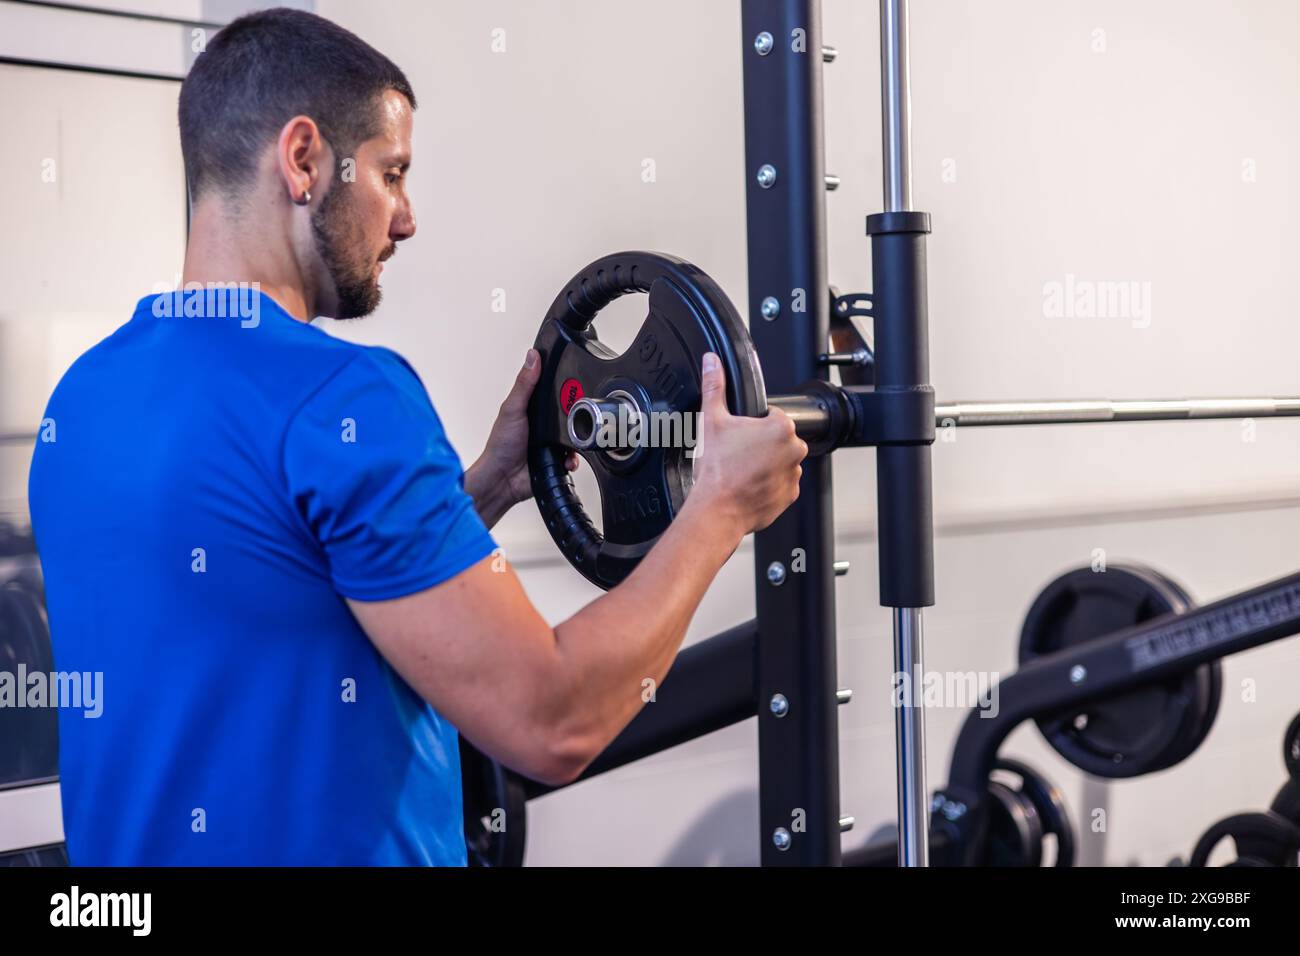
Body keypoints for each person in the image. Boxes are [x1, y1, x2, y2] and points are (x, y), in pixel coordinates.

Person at [27, 7, 806, 865]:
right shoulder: (340, 397)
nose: (404, 218)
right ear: (303, 159)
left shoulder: (83, 402)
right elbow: (553, 722)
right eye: (391, 174)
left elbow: (276, 584)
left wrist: (490, 486)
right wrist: (719, 509)